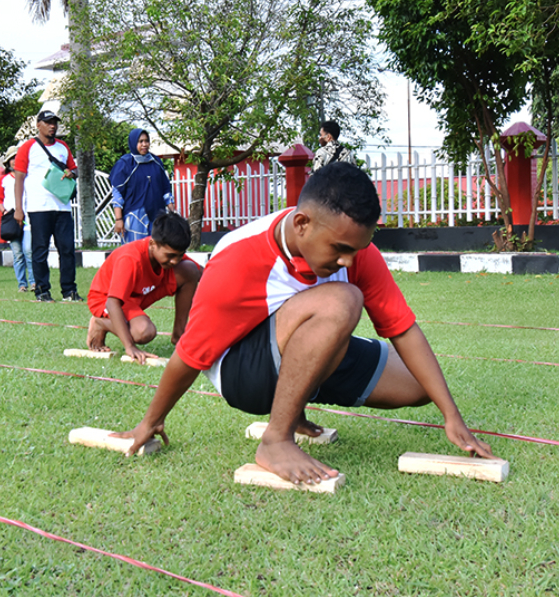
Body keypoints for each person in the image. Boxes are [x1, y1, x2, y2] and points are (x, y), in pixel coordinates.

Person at [118, 162, 493, 485]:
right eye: (340, 250)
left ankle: (294, 410)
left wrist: (451, 416)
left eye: (357, 251)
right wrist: (150, 421)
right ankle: (276, 440)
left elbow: (402, 328)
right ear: (301, 224)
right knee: (343, 300)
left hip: (300, 348)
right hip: (241, 374)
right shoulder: (238, 260)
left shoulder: (356, 252)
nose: (349, 262)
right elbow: (190, 354)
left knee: (416, 385)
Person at [86, 212, 203, 364]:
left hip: (138, 293)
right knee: (143, 333)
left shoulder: (166, 251)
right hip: (107, 299)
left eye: (180, 255)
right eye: (170, 255)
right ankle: (100, 323)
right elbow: (112, 302)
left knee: (189, 269)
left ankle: (179, 335)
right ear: (153, 244)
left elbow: (202, 272)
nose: (175, 261)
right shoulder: (130, 259)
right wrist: (130, 346)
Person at [14, 110, 80, 302]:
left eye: (55, 123)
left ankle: (69, 291)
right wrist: (19, 208)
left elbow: (74, 170)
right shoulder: (27, 148)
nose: (53, 126)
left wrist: (71, 174)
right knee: (40, 250)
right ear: (39, 125)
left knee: (67, 249)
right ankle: (42, 290)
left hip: (62, 207)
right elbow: (19, 179)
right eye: (48, 122)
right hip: (39, 207)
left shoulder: (62, 147)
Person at [109, 129, 176, 243]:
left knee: (156, 253)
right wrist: (118, 219)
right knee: (134, 255)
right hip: (134, 218)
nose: (144, 144)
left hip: (157, 215)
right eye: (140, 141)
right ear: (133, 143)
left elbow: (165, 188)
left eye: (146, 141)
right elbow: (117, 193)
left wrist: (172, 211)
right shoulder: (125, 164)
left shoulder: (156, 162)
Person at [0, 148, 33, 291]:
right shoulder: (4, 180)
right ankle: (22, 284)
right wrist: (5, 211)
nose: (15, 161)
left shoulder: (29, 177)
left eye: (17, 158)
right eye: (12, 158)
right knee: (18, 253)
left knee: (29, 250)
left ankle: (34, 282)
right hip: (12, 220)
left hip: (28, 219)